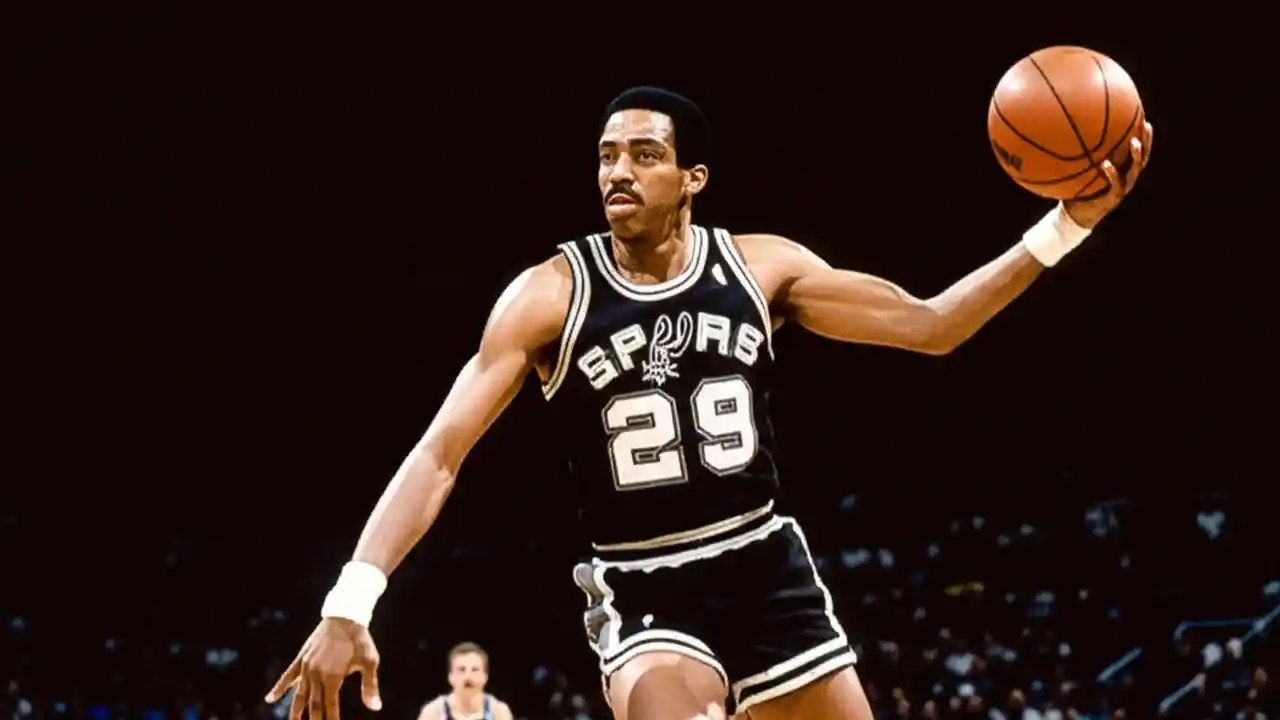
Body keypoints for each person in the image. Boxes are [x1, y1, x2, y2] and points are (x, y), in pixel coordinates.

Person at [265, 86, 1153, 720]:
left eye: (644, 155)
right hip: (648, 585)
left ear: (693, 177)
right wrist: (351, 601)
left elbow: (932, 326)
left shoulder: (761, 267)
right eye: (608, 154)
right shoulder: (547, 294)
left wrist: (1066, 225)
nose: (619, 170)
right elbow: (438, 453)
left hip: (767, 569)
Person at [415, 642, 514, 720]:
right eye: (461, 670)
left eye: (475, 670)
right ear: (450, 677)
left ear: (485, 676)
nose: (468, 677)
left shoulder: (499, 712)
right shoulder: (433, 712)